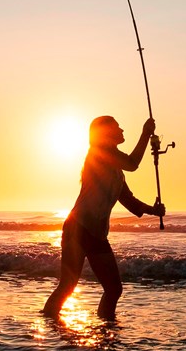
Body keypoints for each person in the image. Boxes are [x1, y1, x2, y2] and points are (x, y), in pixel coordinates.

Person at [42, 115, 166, 320]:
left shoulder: (115, 168)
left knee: (112, 289)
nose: (122, 130)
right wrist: (145, 134)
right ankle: (47, 325)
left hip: (95, 233)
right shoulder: (99, 154)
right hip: (79, 227)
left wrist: (154, 210)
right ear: (106, 133)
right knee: (70, 286)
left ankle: (106, 328)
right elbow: (133, 163)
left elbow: (129, 201)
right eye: (118, 127)